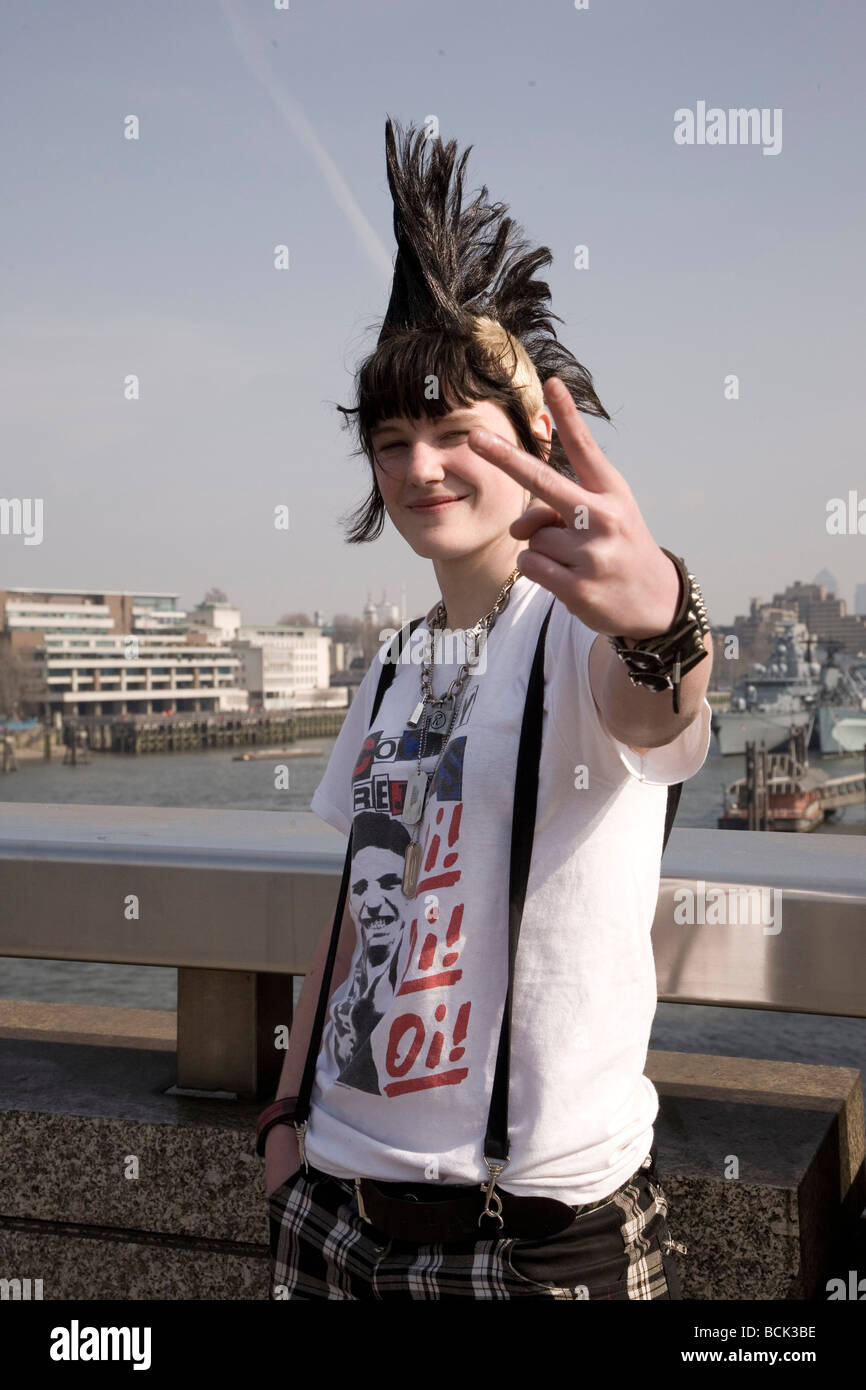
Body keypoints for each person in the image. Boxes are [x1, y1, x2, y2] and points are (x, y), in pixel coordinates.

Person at [258, 117, 713, 1300]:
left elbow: (658, 713)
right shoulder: (393, 664)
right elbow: (357, 906)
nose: (420, 468)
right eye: (393, 440)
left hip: (528, 1237)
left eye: (456, 433)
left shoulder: (573, 635)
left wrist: (662, 611)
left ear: (528, 449)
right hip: (333, 1205)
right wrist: (283, 1118)